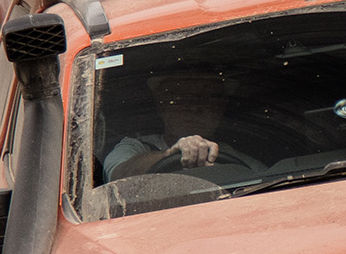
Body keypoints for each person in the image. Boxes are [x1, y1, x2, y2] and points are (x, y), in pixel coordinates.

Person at [103, 68, 250, 180]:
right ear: (160, 107)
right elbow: (117, 176)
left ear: (222, 109)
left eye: (209, 98)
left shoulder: (236, 157)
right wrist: (170, 155)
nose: (194, 107)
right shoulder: (135, 147)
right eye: (182, 98)